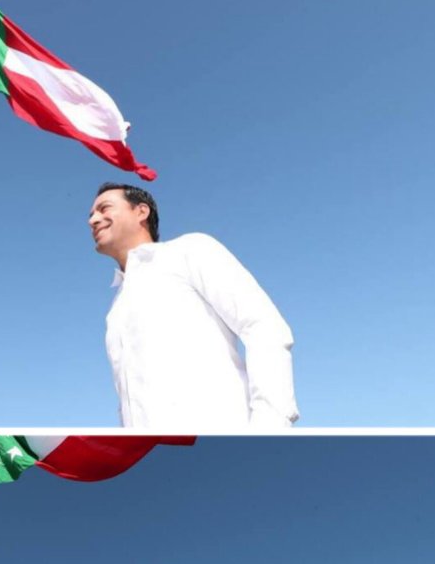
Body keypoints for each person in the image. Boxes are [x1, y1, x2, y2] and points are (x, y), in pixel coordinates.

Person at [88, 183, 298, 428]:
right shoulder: (117, 307)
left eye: (104, 209)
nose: (93, 220)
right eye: (91, 214)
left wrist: (270, 424)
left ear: (141, 212)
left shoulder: (189, 250)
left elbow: (263, 326)